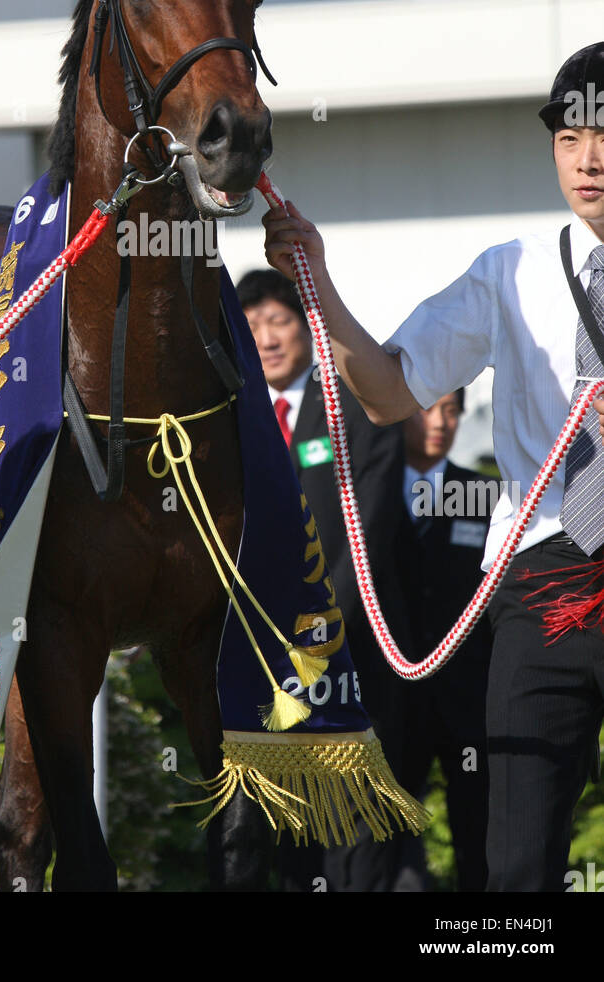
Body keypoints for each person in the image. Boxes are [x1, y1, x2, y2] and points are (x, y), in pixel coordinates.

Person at [262, 40, 604, 893]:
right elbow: (386, 393)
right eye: (569, 138)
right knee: (517, 863)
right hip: (545, 578)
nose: (589, 157)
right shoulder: (511, 271)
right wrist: (319, 287)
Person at [237, 267, 415, 892]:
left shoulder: (351, 408)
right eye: (253, 324)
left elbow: (367, 525)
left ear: (306, 330)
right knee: (282, 817)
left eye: (279, 321)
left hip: (351, 642)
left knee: (354, 810)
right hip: (262, 656)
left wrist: (316, 628)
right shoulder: (232, 424)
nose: (267, 337)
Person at [399, 388, 493, 892]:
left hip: (469, 701)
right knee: (381, 841)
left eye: (452, 410)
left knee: (480, 836)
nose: (440, 422)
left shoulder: (488, 495)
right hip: (391, 699)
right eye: (427, 408)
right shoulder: (362, 492)